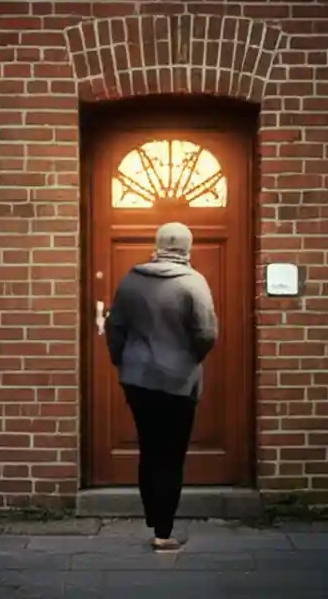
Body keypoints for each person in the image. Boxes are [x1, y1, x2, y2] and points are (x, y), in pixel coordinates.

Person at [104, 221, 218, 553]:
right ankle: (163, 532)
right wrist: (190, 359)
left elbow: (116, 328)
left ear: (157, 244)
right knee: (171, 453)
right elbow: (207, 333)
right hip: (178, 382)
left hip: (137, 379)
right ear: (187, 246)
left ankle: (153, 519)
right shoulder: (193, 283)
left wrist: (123, 362)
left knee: (149, 448)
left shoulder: (131, 280)